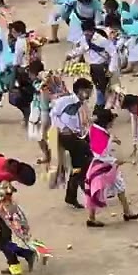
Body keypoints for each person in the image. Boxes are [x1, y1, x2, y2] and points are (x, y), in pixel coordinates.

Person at [83, 108, 138, 227]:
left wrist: (112, 139)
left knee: (117, 187)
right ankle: (92, 218)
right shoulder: (100, 134)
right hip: (103, 166)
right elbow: (100, 154)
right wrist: (117, 161)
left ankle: (126, 212)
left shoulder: (96, 129)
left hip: (103, 166)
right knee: (97, 191)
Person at [51, 78, 94, 208]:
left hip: (77, 135)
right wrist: (62, 128)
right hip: (67, 137)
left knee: (80, 164)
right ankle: (83, 188)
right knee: (86, 158)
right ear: (80, 91)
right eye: (87, 91)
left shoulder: (81, 104)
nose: (89, 94)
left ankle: (75, 192)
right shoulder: (66, 101)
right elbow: (54, 114)